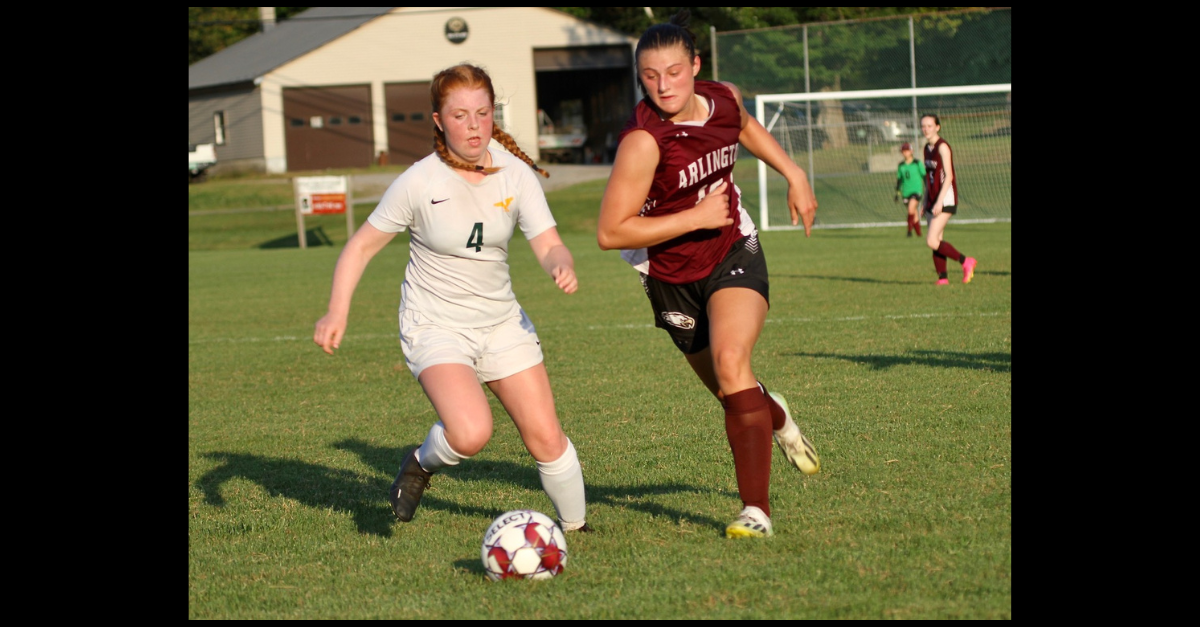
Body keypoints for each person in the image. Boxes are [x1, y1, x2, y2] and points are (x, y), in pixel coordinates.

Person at [313, 63, 591, 533]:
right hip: (435, 325)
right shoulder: (420, 181)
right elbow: (360, 247)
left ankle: (576, 530)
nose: (474, 126)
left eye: (482, 113)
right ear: (439, 121)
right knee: (470, 432)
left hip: (502, 322)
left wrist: (560, 264)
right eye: (460, 115)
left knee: (547, 436)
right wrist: (336, 310)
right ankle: (421, 463)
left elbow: (548, 242)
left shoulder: (516, 175)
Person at [596, 10, 820, 540]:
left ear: (695, 65)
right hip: (669, 275)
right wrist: (693, 217)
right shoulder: (644, 141)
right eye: (649, 76)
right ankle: (777, 416)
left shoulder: (723, 98)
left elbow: (744, 126)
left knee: (730, 360)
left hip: (731, 250)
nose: (663, 85)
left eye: (674, 71)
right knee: (730, 388)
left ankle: (756, 512)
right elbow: (611, 232)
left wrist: (794, 172)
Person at [920, 114, 977, 285]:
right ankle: (943, 278)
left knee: (931, 240)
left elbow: (949, 176)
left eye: (929, 126)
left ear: (937, 127)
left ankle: (966, 261)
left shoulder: (943, 147)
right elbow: (928, 177)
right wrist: (925, 201)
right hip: (932, 197)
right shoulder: (926, 149)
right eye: (923, 126)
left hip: (945, 198)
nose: (926, 129)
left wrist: (939, 201)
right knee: (937, 239)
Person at [894, 142, 925, 238]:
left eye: (907, 150)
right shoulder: (901, 165)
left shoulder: (917, 163)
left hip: (916, 191)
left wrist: (928, 188)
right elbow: (899, 180)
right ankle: (919, 234)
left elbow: (924, 176)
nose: (905, 153)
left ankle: (909, 231)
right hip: (906, 191)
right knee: (914, 213)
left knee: (911, 209)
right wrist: (897, 193)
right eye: (903, 151)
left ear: (911, 151)